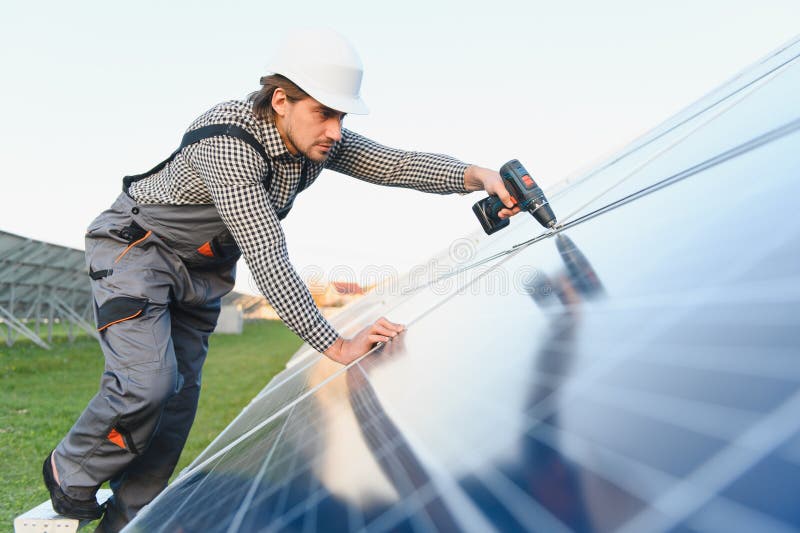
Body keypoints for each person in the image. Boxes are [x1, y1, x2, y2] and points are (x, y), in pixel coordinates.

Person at [42, 27, 523, 531]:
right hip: (139, 249)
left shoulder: (313, 138)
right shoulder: (228, 141)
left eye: (341, 115)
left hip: (201, 274)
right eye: (324, 112)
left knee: (177, 405)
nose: (335, 129)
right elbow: (268, 256)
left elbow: (395, 164)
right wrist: (337, 346)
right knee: (149, 383)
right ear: (280, 100)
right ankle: (68, 470)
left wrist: (479, 176)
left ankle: (130, 518)